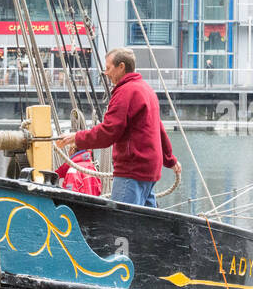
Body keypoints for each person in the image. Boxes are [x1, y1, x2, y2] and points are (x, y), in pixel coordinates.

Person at [56, 47, 180, 208]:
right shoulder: (146, 89)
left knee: (122, 224)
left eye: (108, 68)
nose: (106, 73)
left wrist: (77, 138)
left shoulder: (125, 92)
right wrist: (170, 160)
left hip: (132, 170)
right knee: (147, 223)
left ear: (121, 67)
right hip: (149, 171)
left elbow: (109, 132)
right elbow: (159, 129)